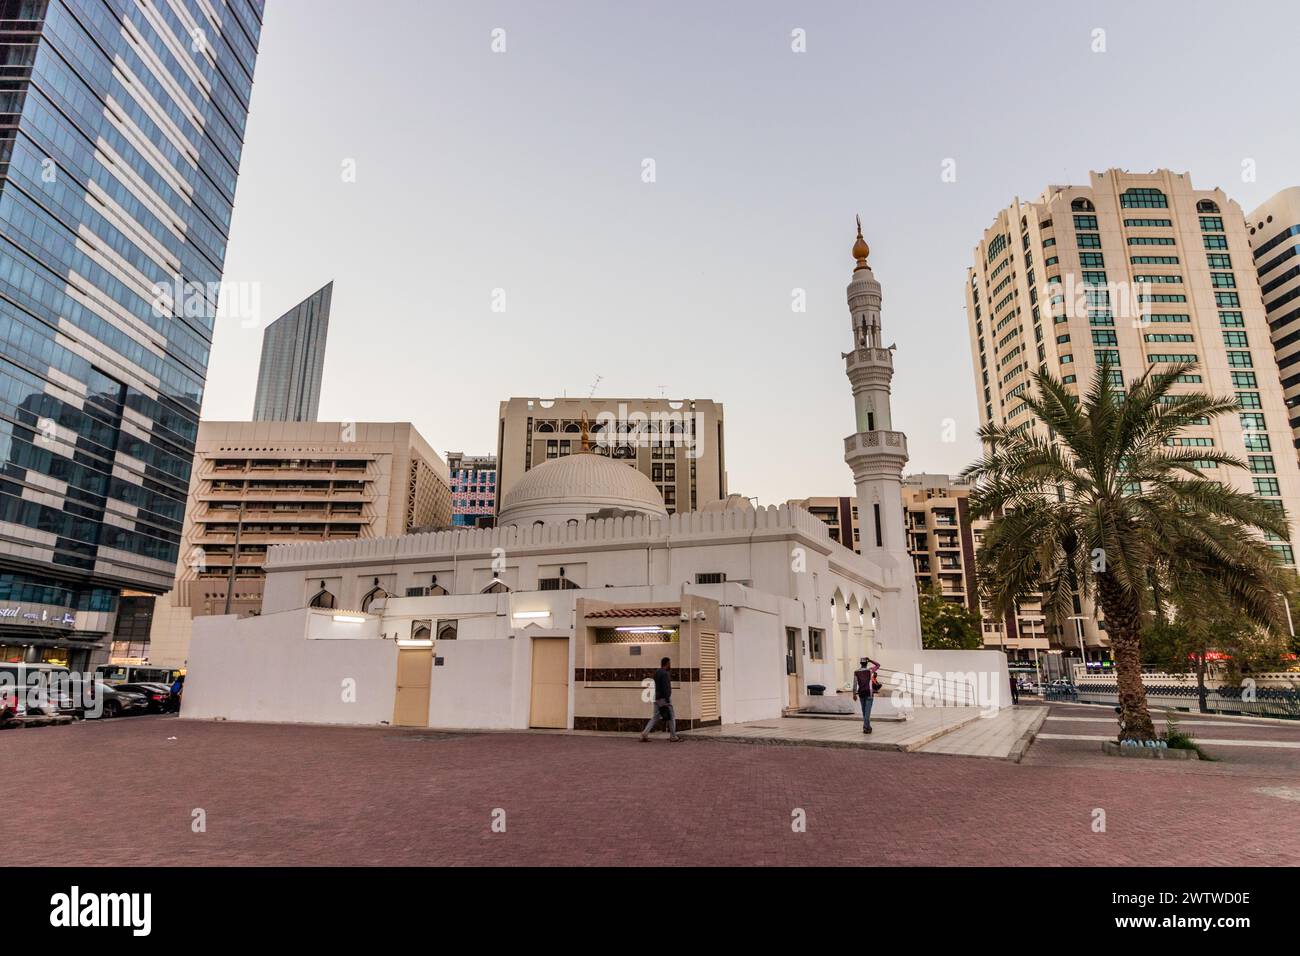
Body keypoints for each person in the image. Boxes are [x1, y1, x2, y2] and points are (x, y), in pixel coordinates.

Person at [640, 657, 681, 742]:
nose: (670, 665)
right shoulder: (665, 673)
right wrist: (667, 699)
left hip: (656, 697)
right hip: (663, 698)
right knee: (671, 716)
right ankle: (673, 736)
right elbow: (665, 687)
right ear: (667, 663)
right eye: (670, 663)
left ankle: (645, 733)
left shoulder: (657, 672)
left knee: (655, 717)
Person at [851, 657, 881, 734]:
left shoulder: (856, 672)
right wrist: (870, 660)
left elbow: (855, 684)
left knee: (864, 711)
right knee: (867, 712)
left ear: (860, 663)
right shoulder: (870, 671)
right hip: (869, 693)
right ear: (867, 663)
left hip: (861, 693)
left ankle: (868, 727)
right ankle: (865, 727)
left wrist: (854, 694)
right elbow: (878, 665)